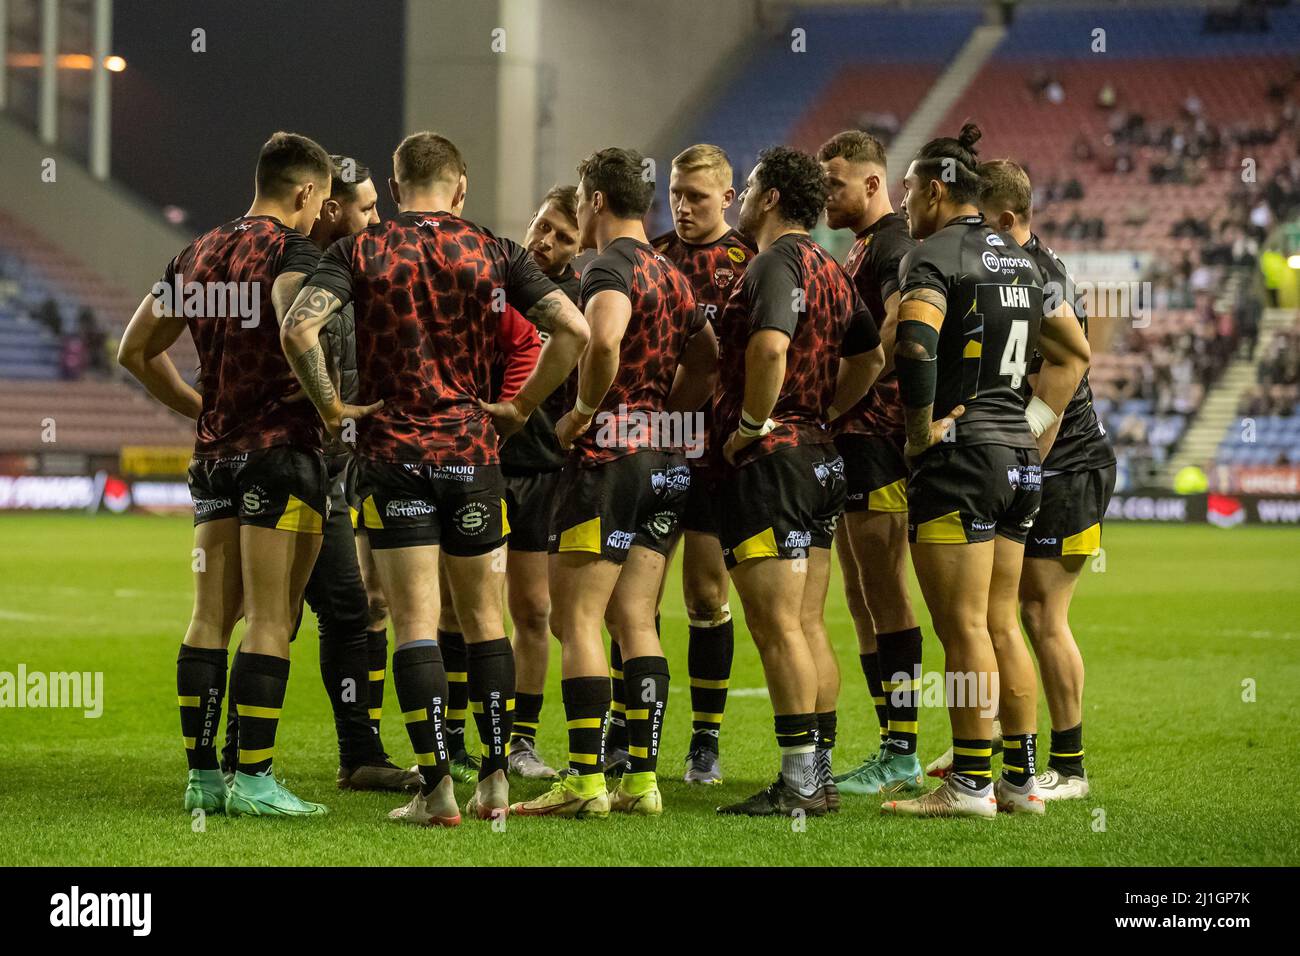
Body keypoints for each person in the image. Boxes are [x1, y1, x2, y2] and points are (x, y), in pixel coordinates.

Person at [281, 131, 588, 827]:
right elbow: (572, 331)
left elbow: (299, 331)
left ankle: (436, 790)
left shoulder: (360, 249)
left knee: (416, 623)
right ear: (460, 187)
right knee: (487, 621)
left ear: (394, 188)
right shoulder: (495, 250)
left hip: (393, 460)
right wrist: (519, 408)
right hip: (474, 457)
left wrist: (331, 406)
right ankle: (497, 782)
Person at [118, 131, 336, 817]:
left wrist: (201, 407)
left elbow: (134, 350)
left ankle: (202, 779)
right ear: (305, 191)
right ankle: (255, 779)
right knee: (273, 617)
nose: (317, 214)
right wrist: (329, 403)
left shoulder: (197, 253)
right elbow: (294, 327)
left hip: (215, 459)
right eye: (321, 201)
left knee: (210, 616)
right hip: (282, 453)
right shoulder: (293, 253)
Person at [880, 125, 1090, 820]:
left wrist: (917, 435)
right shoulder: (1025, 262)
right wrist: (1026, 428)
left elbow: (914, 341)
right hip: (1019, 461)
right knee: (1002, 621)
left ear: (935, 189)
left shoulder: (933, 254)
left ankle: (969, 785)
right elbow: (1073, 353)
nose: (904, 202)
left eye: (909, 189)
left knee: (964, 627)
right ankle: (1020, 781)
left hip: (959, 459)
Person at [510, 147, 718, 818]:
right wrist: (664, 413)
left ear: (595, 200)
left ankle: (584, 781)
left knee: (577, 618)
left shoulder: (610, 266)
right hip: (665, 459)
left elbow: (601, 343)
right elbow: (707, 358)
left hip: (609, 460)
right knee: (635, 619)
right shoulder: (673, 271)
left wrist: (582, 413)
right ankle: (643, 783)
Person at [711, 146, 884, 817]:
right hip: (819, 458)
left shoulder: (776, 262)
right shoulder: (832, 270)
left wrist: (756, 420)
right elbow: (869, 356)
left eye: (750, 185)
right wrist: (823, 412)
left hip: (772, 467)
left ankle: (801, 783)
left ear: (774, 196)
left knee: (776, 625)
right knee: (807, 624)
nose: (744, 196)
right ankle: (818, 775)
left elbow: (771, 345)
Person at [977, 159, 1117, 800]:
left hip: (1067, 465)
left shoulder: (1037, 275)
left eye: (978, 221)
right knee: (995, 610)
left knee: (1039, 613)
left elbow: (1057, 382)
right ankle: (993, 748)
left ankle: (1071, 768)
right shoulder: (1018, 265)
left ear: (1006, 220)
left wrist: (1023, 461)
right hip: (1041, 461)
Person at [817, 129, 929, 797]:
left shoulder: (892, 244)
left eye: (835, 183)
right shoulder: (863, 244)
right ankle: (892, 744)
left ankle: (903, 750)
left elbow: (895, 325)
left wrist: (843, 394)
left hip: (878, 437)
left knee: (885, 592)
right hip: (857, 438)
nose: (827, 194)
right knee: (861, 596)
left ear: (871, 183)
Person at [649, 144, 755, 785]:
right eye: (676, 194)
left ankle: (706, 744)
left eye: (697, 196)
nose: (684, 207)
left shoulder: (747, 263)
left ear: (728, 197)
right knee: (631, 599)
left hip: (714, 455)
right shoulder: (654, 258)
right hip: (653, 447)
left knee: (706, 595)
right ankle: (622, 734)